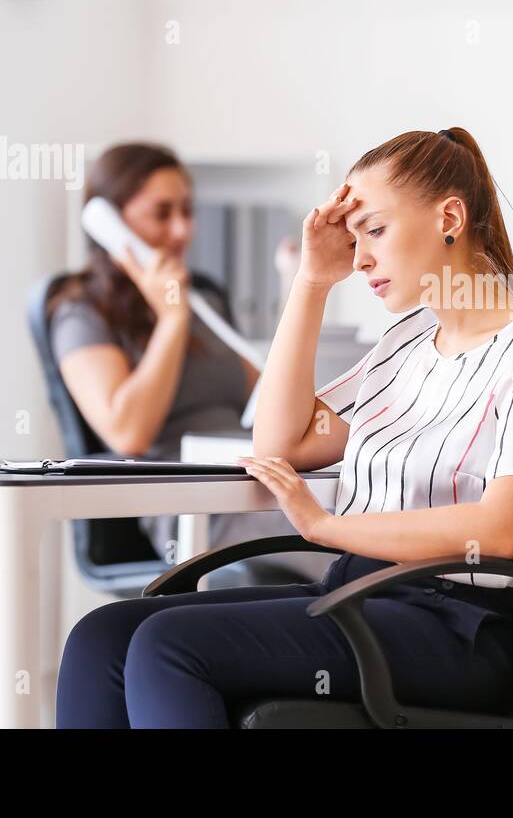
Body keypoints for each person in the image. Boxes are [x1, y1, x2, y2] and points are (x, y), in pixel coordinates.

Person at [55, 127, 513, 727]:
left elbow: (503, 528)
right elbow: (280, 443)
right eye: (354, 238)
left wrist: (327, 526)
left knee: (168, 647)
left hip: (457, 625)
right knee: (100, 638)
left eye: (376, 232)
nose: (359, 258)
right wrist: (312, 283)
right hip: (360, 598)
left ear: (450, 217)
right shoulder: (406, 343)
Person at [49, 142, 317, 583]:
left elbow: (270, 396)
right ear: (110, 222)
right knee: (338, 549)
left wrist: (299, 294)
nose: (182, 230)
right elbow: (129, 432)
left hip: (260, 482)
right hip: (195, 507)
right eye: (162, 213)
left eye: (187, 211)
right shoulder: (81, 312)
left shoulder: (206, 298)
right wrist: (172, 317)